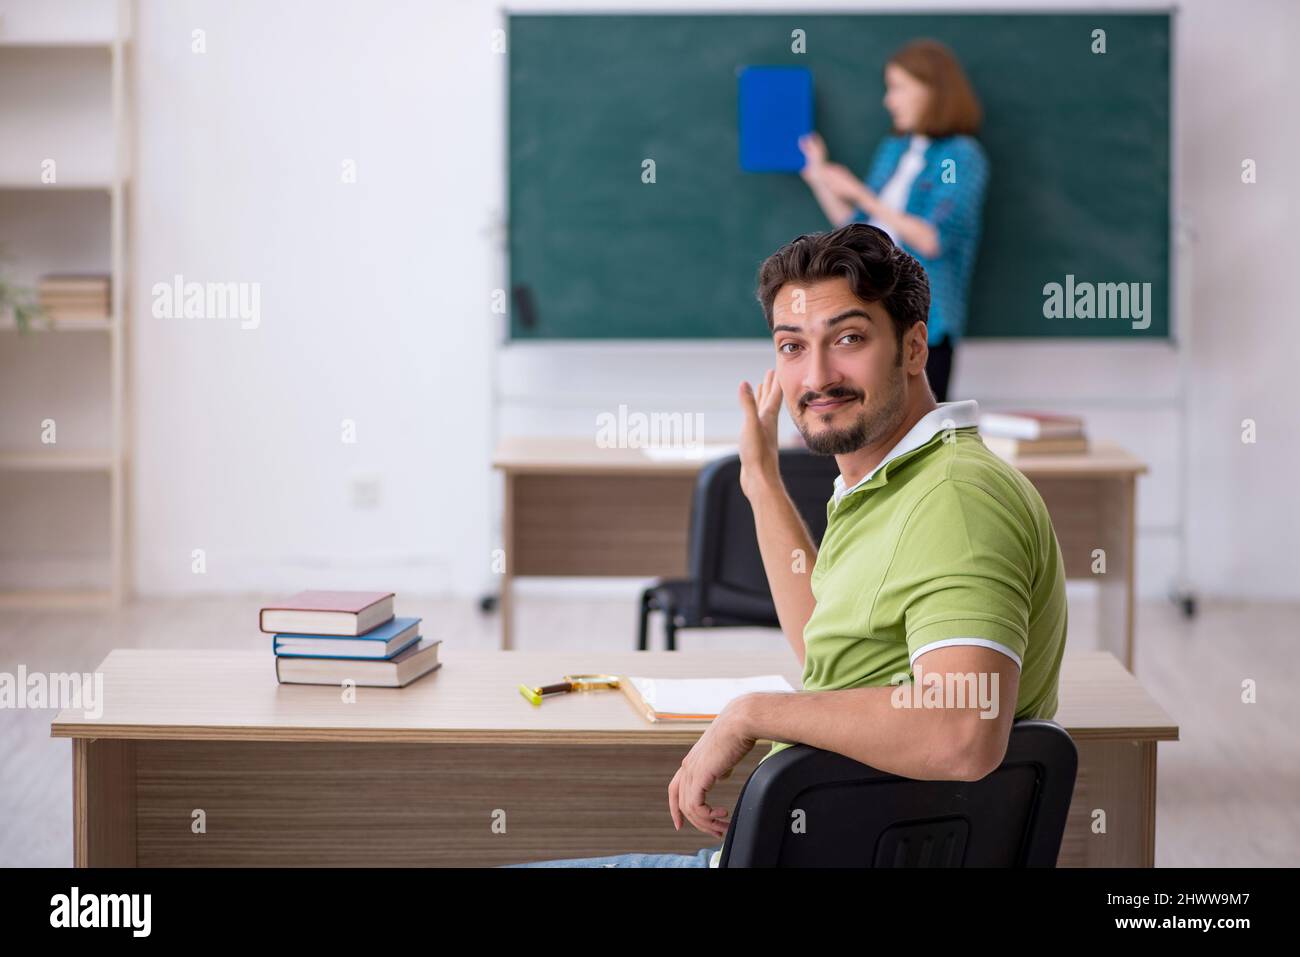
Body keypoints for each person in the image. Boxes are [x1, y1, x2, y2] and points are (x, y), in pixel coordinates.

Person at [506, 224, 1067, 868]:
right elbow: (826, 646)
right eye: (793, 347)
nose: (817, 375)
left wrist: (751, 714)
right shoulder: (897, 482)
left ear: (914, 349)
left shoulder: (954, 502)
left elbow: (963, 731)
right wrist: (761, 481)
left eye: (848, 339)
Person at [798, 38, 989, 401]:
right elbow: (858, 229)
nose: (890, 100)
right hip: (869, 316)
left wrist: (861, 193)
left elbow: (932, 238)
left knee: (916, 436)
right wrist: (817, 176)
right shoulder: (895, 150)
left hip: (925, 326)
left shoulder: (961, 157)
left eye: (899, 88)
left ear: (933, 91)